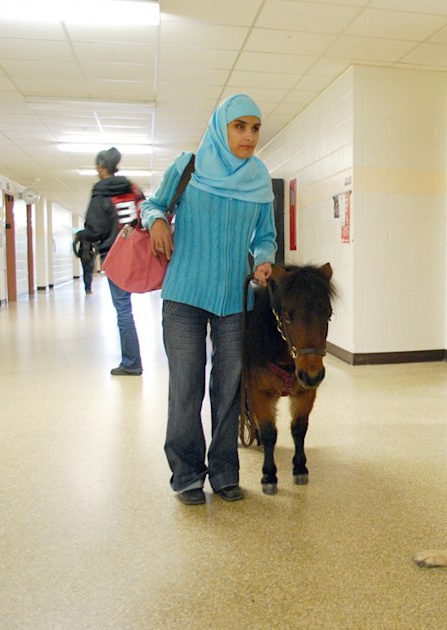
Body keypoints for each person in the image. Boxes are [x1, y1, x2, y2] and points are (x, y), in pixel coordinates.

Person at [139, 94, 277, 506]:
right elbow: (153, 204)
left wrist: (265, 261)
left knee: (228, 388)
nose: (249, 136)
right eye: (240, 126)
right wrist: (159, 219)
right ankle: (186, 475)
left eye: (255, 128)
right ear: (222, 127)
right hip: (184, 295)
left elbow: (265, 237)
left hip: (234, 298)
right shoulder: (189, 165)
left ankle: (224, 472)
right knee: (186, 386)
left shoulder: (259, 178)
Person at [81, 147, 145, 376]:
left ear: (101, 167)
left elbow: (95, 228)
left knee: (123, 309)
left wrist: (86, 238)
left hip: (115, 255)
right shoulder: (133, 189)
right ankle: (133, 360)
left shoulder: (101, 192)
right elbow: (144, 215)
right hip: (137, 253)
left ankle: (132, 362)